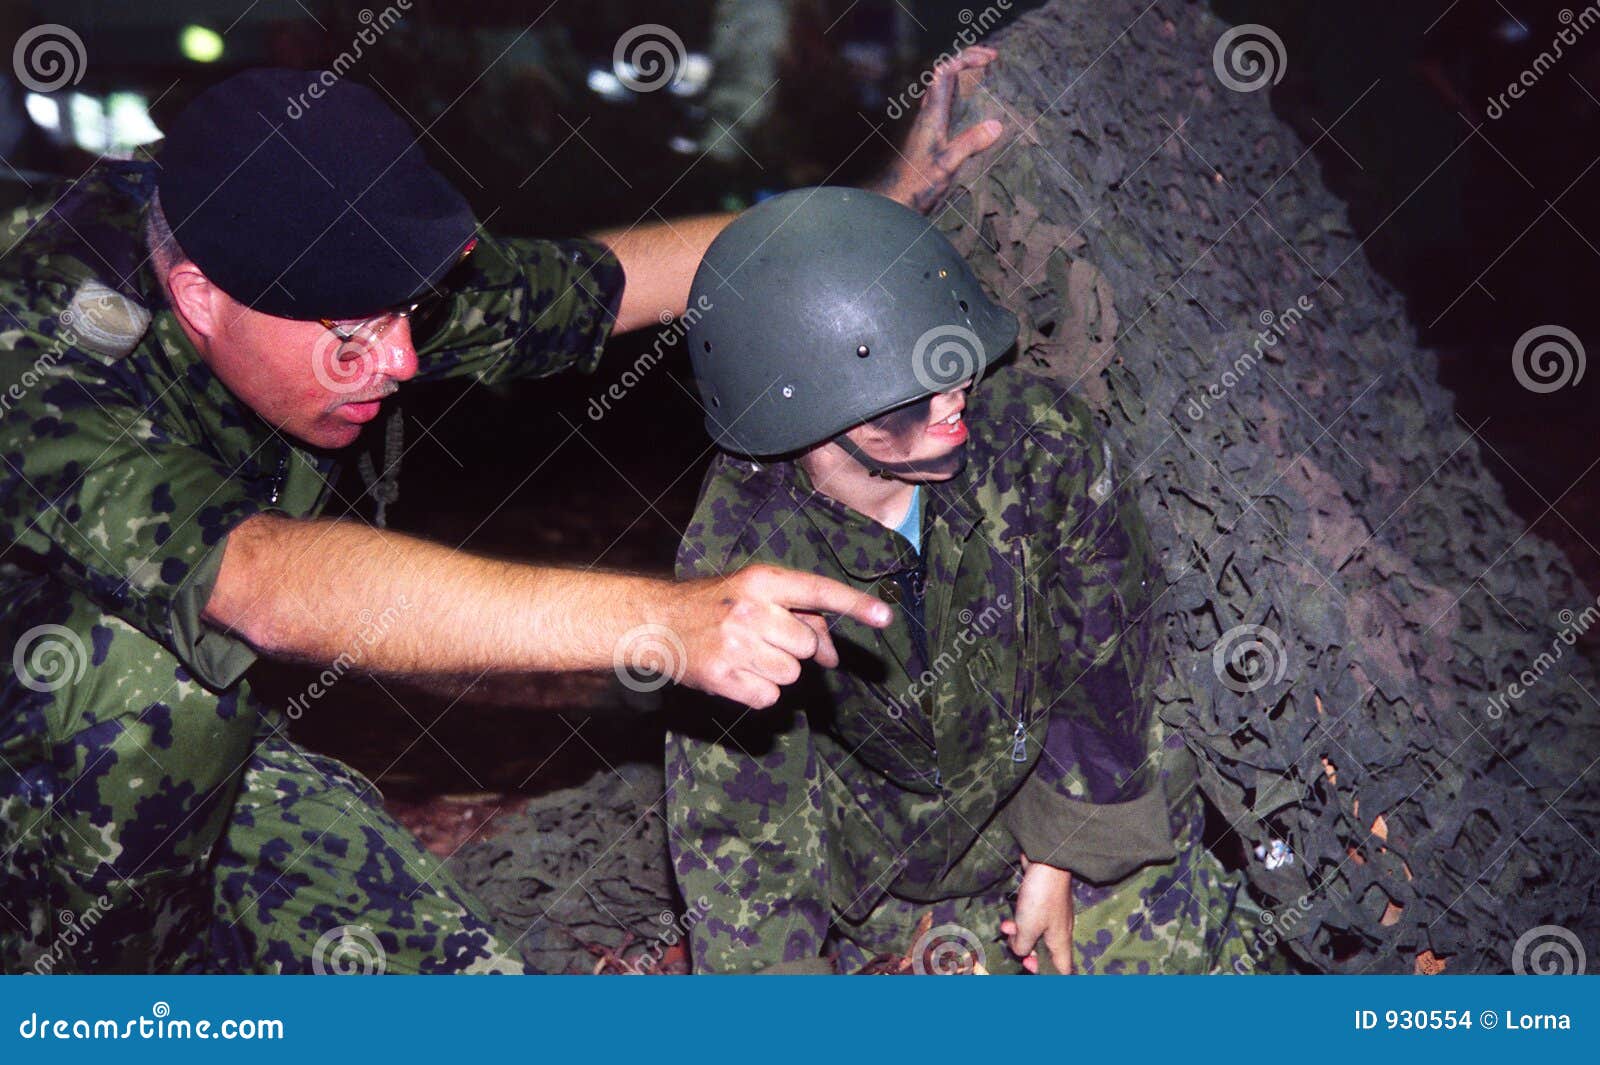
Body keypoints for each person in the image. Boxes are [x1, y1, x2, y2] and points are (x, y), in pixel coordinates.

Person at [0, 55, 1001, 975]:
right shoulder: (37, 357)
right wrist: (659, 623)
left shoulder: (288, 250)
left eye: (410, 313)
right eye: (352, 334)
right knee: (146, 684)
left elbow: (588, 291)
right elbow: (262, 583)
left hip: (195, 739)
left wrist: (866, 211)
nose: (397, 363)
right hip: (79, 725)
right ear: (197, 297)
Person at [665, 188, 1251, 974]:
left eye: (954, 352)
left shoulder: (1037, 441)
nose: (958, 387)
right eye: (915, 384)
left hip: (1063, 795)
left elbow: (1102, 651)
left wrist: (1060, 856)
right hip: (901, 874)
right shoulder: (740, 565)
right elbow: (741, 831)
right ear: (812, 413)